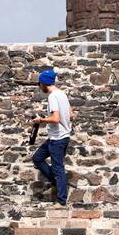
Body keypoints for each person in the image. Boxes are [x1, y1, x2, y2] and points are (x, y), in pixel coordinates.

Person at [30, 69, 72, 206]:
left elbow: (55, 118)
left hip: (57, 139)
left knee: (58, 168)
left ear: (43, 83)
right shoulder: (62, 94)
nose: (39, 86)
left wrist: (40, 120)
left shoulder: (53, 96)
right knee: (37, 158)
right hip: (60, 136)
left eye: (39, 83)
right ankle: (57, 182)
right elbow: (72, 114)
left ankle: (61, 201)